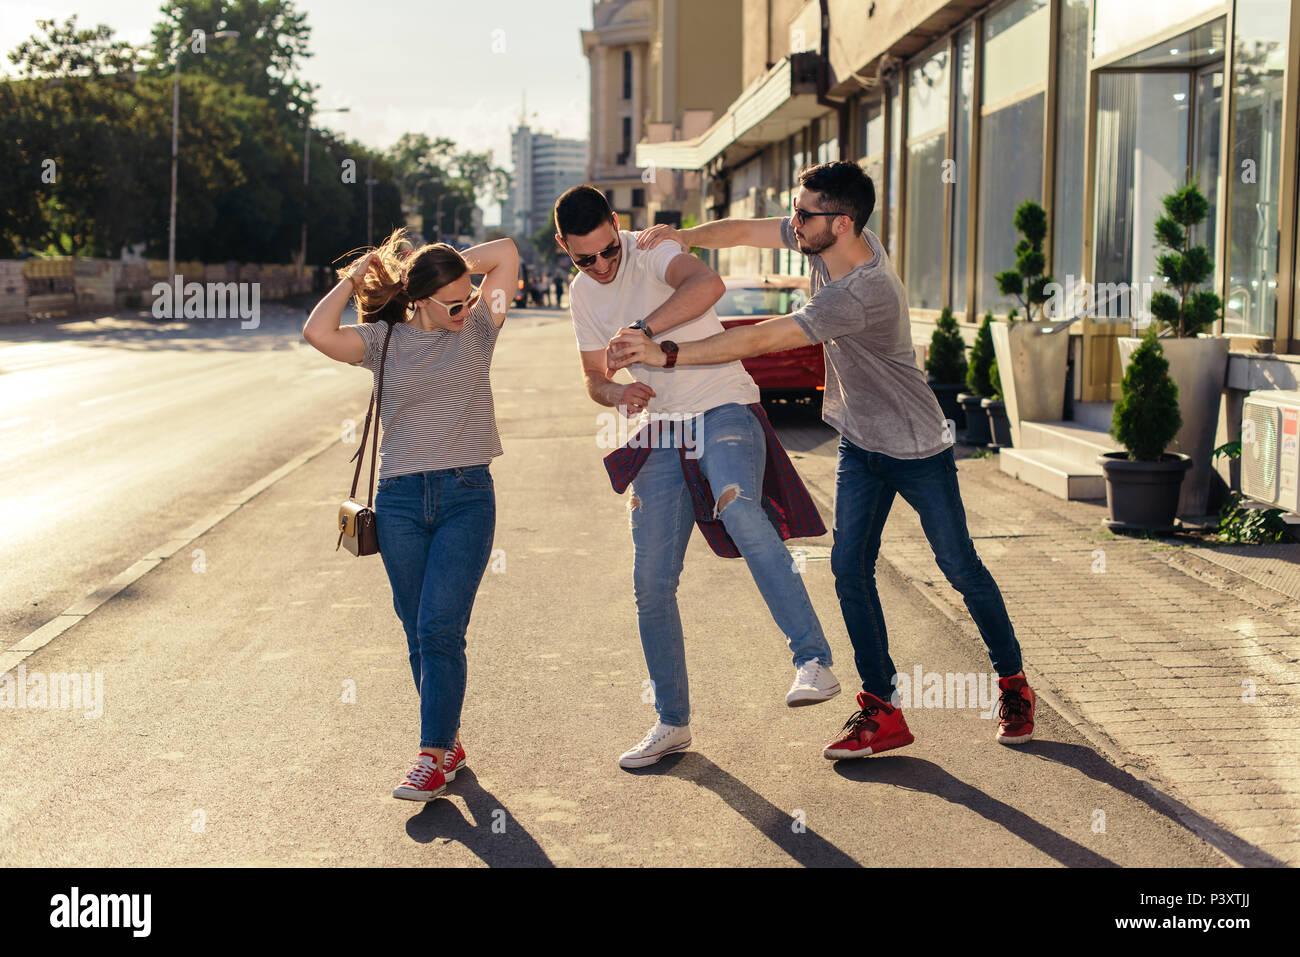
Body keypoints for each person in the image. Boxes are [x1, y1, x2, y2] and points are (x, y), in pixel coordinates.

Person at [608, 161, 1037, 760]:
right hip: (859, 444)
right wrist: (686, 236)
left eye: (803, 214)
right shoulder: (830, 243)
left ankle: (1012, 682)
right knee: (848, 569)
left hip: (917, 447)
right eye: (796, 210)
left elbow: (762, 337)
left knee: (958, 566)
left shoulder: (861, 292)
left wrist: (668, 352)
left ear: (840, 222)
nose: (793, 222)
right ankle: (882, 710)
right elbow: (750, 231)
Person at [555, 184, 841, 770]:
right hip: (661, 428)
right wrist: (616, 390)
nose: (604, 265)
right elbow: (592, 378)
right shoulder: (582, 293)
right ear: (565, 248)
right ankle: (672, 722)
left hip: (723, 406)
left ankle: (813, 660)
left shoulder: (653, 248)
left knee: (738, 505)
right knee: (651, 582)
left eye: (609, 248)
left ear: (617, 224)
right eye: (587, 258)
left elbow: (707, 285)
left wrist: (644, 330)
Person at [303, 226, 519, 800]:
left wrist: (450, 273)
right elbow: (317, 332)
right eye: (452, 300)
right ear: (418, 299)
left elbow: (507, 255)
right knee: (417, 632)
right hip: (398, 502)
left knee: (440, 627)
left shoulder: (477, 330)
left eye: (469, 295)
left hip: (466, 496)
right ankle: (445, 740)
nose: (465, 306)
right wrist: (362, 276)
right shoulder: (384, 340)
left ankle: (429, 757)